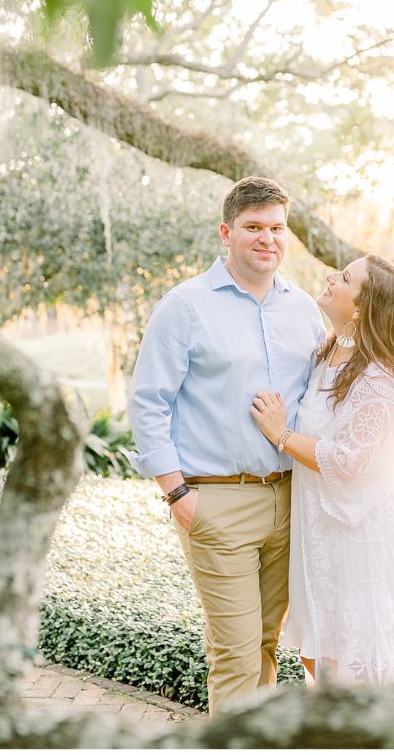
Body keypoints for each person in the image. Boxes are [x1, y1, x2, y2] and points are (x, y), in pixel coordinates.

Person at [127, 176, 328, 710]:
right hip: (216, 500)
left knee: (266, 646)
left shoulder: (303, 308)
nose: (267, 239)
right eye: (253, 227)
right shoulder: (185, 306)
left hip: (292, 498)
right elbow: (148, 401)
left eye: (277, 228)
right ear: (226, 232)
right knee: (236, 653)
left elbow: (322, 397)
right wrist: (177, 493)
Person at [248, 254, 394, 686]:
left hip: (358, 534)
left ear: (361, 308)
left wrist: (281, 435)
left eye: (344, 278)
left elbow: (349, 460)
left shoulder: (378, 379)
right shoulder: (329, 349)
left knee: (353, 664)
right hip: (317, 528)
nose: (330, 277)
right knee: (316, 654)